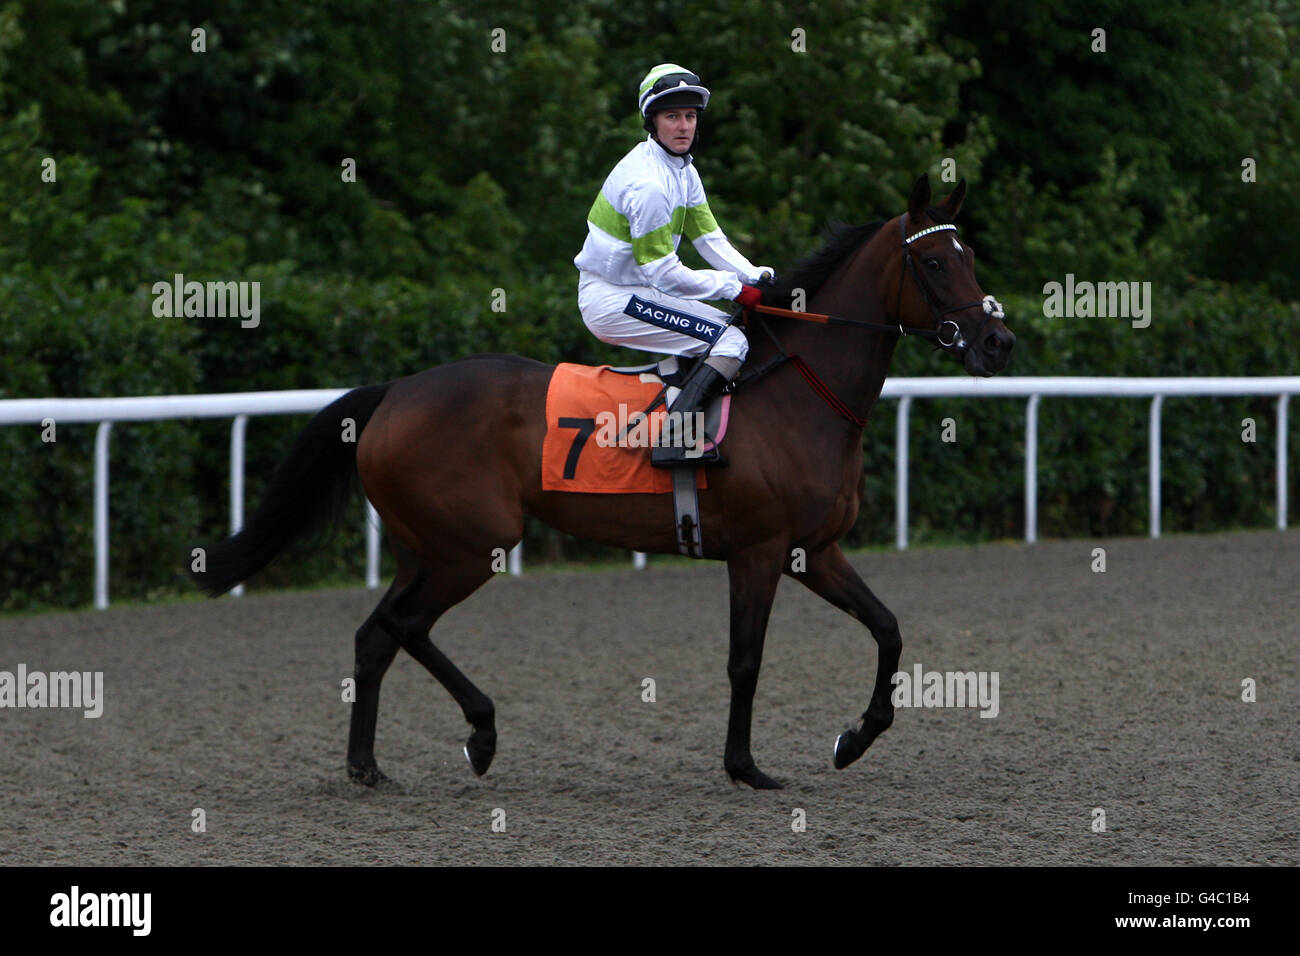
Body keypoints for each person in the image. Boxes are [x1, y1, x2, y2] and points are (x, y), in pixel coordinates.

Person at [574, 63, 773, 467]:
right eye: (672, 116)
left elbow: (709, 239)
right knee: (731, 342)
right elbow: (663, 272)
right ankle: (674, 441)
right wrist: (732, 288)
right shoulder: (648, 185)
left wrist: (756, 276)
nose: (683, 126)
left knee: (730, 329)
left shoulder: (682, 168)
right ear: (653, 121)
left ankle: (680, 411)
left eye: (690, 116)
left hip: (638, 289)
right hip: (613, 300)